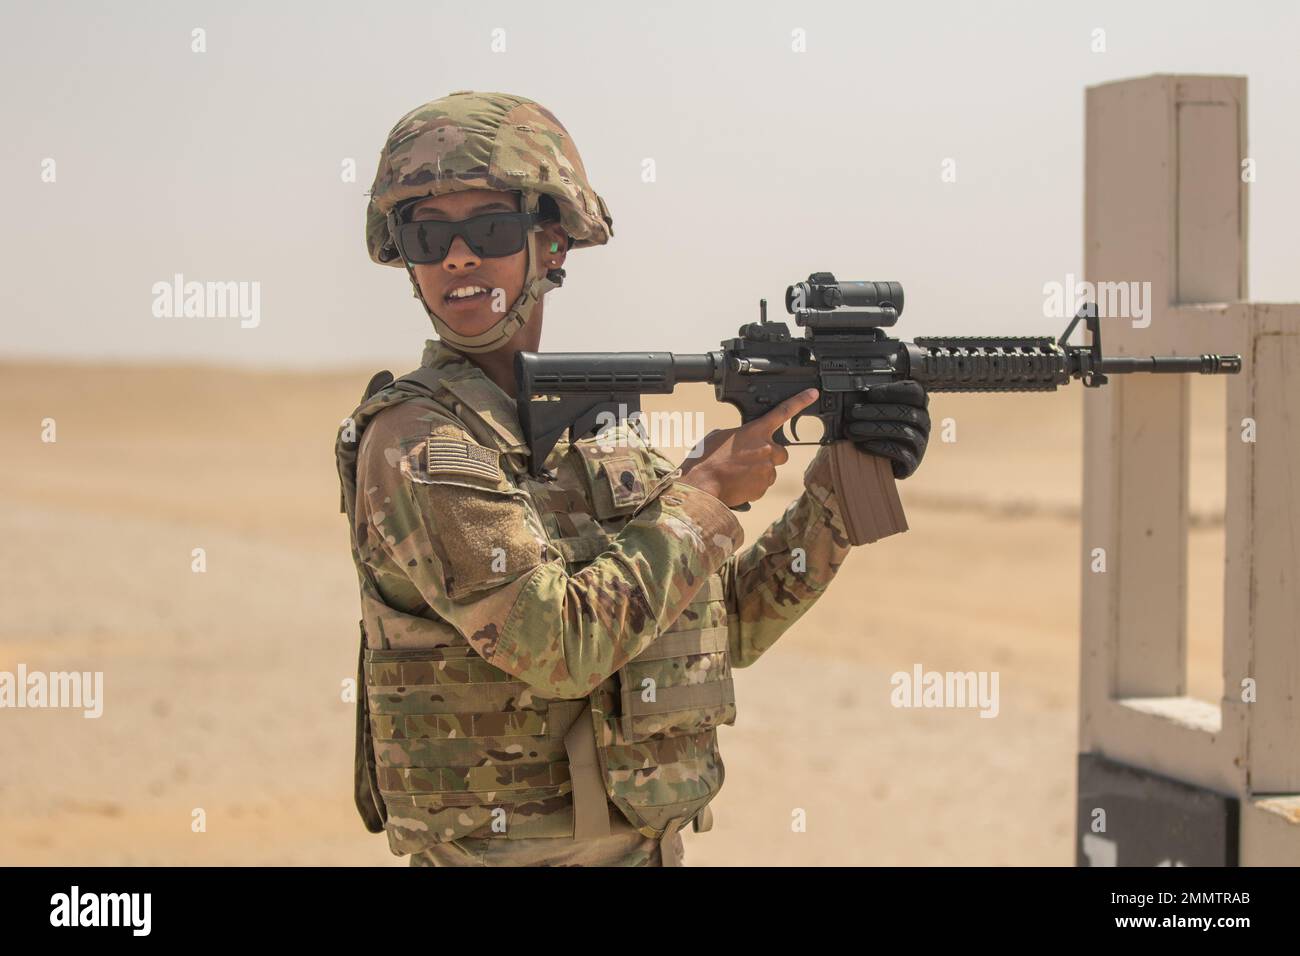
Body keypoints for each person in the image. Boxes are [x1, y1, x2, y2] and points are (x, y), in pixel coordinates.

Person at [336, 91, 931, 866]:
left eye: (488, 228)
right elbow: (560, 645)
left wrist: (843, 487)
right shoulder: (420, 446)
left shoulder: (590, 435)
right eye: (428, 234)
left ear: (552, 244)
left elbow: (723, 631)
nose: (457, 257)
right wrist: (703, 495)